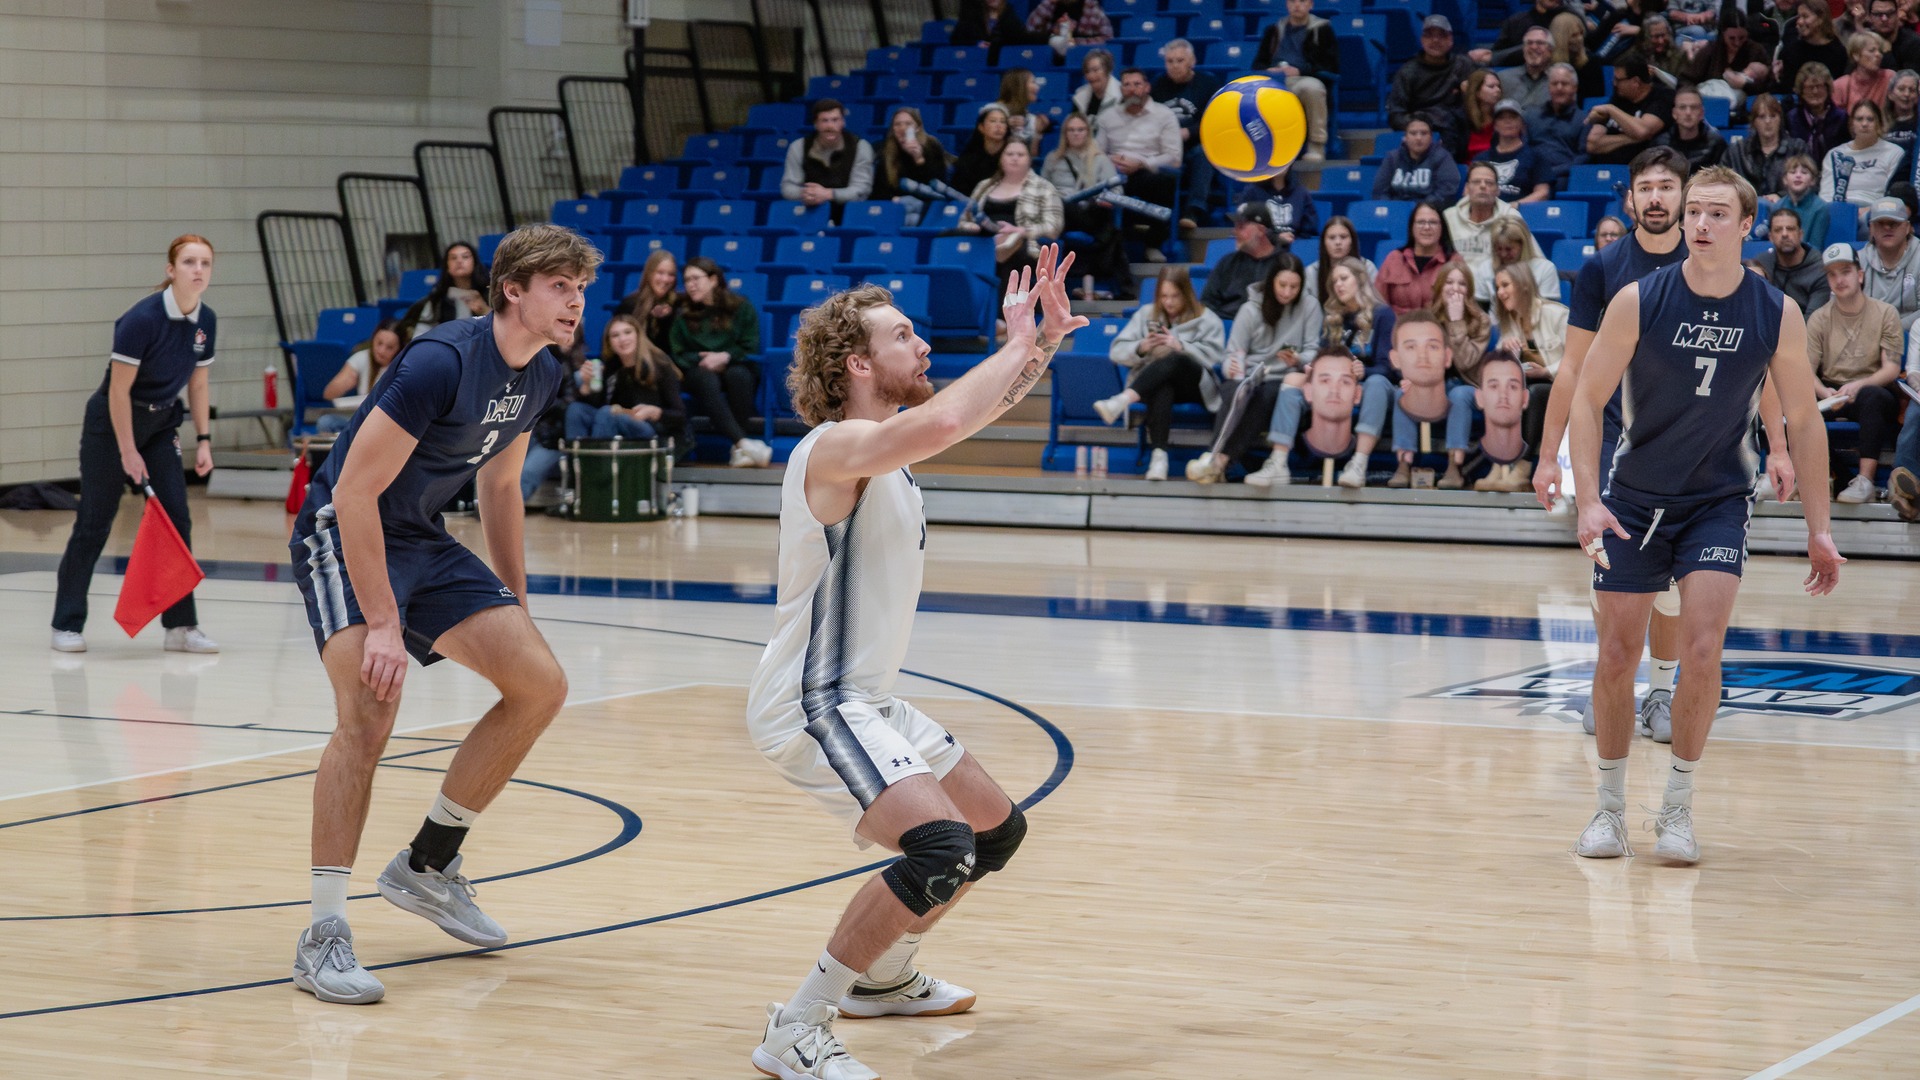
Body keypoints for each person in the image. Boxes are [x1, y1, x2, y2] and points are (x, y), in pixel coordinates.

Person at [742, 220, 1082, 1080]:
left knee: (993, 834)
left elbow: (969, 413)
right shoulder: (835, 449)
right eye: (902, 335)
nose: (922, 341)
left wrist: (1033, 348)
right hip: (814, 700)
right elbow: (951, 418)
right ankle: (798, 1026)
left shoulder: (886, 452)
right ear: (856, 364)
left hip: (868, 696)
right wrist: (1022, 342)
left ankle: (882, 980)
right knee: (938, 849)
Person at [286, 224, 597, 1005]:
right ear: (514, 290)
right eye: (561, 286)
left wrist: (516, 601)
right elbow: (354, 493)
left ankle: (428, 864)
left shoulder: (542, 373)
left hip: (421, 540)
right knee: (369, 710)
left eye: (581, 289)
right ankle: (323, 936)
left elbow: (499, 488)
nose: (576, 302)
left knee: (540, 684)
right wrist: (384, 625)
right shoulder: (440, 360)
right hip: (343, 532)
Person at [1569, 165, 1841, 865]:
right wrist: (1589, 498)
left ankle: (1679, 810)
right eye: (1694, 210)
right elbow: (1584, 395)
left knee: (1701, 649)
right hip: (1632, 500)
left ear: (1747, 226)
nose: (1700, 223)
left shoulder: (1774, 310)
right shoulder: (1637, 299)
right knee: (1617, 654)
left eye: (1718, 213)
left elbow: (1806, 422)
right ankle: (1607, 808)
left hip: (1718, 500)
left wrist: (1819, 530)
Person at [1538, 146, 1694, 741]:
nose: (1655, 198)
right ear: (1630, 197)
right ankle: (1615, 686)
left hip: (1684, 442)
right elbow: (1572, 370)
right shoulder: (1603, 268)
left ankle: (1660, 692)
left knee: (1674, 588)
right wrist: (1549, 454)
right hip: (1611, 441)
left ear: (1683, 195)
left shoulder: (1704, 259)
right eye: (1645, 188)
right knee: (1612, 575)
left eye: (1666, 186)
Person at [51, 234, 221, 655]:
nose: (197, 270)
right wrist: (127, 450)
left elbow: (198, 383)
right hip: (111, 426)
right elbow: (117, 393)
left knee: (177, 520)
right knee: (95, 521)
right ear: (171, 270)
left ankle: (180, 626)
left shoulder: (207, 321)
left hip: (163, 424)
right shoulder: (140, 320)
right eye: (188, 262)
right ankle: (66, 624)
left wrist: (203, 440)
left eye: (205, 263)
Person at [1189, 253, 1322, 483]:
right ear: (1271, 281)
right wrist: (1232, 368)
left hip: (1286, 378)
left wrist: (1298, 358)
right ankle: (1216, 457)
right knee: (1234, 390)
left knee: (1266, 395)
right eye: (1283, 285)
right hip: (1250, 374)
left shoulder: (1309, 305)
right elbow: (1233, 353)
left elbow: (1313, 350)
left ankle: (1218, 460)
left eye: (1294, 286)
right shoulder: (1250, 309)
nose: (1288, 292)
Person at [1094, 266, 1229, 480]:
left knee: (1174, 358)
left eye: (1175, 296)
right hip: (1153, 382)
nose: (1169, 302)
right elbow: (1116, 351)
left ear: (1186, 294)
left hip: (1195, 384)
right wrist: (1141, 347)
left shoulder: (1207, 318)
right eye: (1164, 296)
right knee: (1162, 385)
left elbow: (1216, 357)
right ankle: (1159, 458)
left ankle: (1123, 400)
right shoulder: (1146, 314)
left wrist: (1180, 345)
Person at [1809, 241, 1907, 502]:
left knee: (1872, 397)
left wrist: (1859, 385)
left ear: (1860, 274)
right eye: (1832, 274)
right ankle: (1838, 478)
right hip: (1832, 389)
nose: (1839, 279)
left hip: (1873, 388)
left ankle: (1865, 480)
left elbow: (1891, 368)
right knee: (1797, 406)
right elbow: (1806, 372)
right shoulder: (1819, 318)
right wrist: (1824, 392)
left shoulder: (1886, 313)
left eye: (1845, 271)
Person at [669, 256, 773, 467]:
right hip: (697, 371)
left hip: (733, 366)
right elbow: (677, 353)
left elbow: (749, 345)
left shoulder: (740, 307)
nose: (691, 285)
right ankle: (742, 443)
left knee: (739, 375)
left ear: (714, 279)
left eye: (696, 278)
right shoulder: (682, 314)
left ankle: (739, 449)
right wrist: (701, 358)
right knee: (705, 379)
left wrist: (725, 356)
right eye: (687, 280)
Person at [1320, 257, 1399, 487]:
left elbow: (1390, 369)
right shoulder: (1333, 317)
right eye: (1335, 281)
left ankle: (1359, 462)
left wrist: (1364, 371)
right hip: (1340, 387)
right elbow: (1322, 355)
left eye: (1344, 279)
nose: (1338, 285)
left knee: (1375, 382)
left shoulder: (1383, 314)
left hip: (1375, 387)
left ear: (1361, 281)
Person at [1381, 310, 1477, 488]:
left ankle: (1454, 466)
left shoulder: (1479, 321)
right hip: (1427, 383)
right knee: (1403, 392)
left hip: (1463, 384)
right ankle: (1403, 464)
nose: (1422, 355)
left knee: (1459, 395)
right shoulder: (1432, 316)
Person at [1242, 350, 1363, 488]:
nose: (1333, 391)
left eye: (1343, 382)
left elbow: (1382, 366)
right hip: (1314, 374)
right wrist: (1309, 369)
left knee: (1376, 386)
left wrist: (1362, 370)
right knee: (1291, 380)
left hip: (1362, 381)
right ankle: (1278, 460)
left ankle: (1360, 463)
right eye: (1326, 381)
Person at [1042, 111, 1130, 298]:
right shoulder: (1053, 158)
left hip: (1092, 211)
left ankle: (1091, 278)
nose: (1076, 133)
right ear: (1065, 133)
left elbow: (1117, 192)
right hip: (1062, 212)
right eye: (1071, 130)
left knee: (1100, 213)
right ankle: (1122, 287)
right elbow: (1041, 189)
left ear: (1087, 132)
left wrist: (1104, 200)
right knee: (1110, 231)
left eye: (1080, 129)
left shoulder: (1100, 159)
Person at [566, 313, 686, 444]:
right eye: (615, 335)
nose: (622, 339)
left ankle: (598, 461)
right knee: (576, 410)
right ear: (609, 342)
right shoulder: (612, 365)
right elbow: (600, 406)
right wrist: (586, 388)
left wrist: (655, 412)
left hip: (652, 428)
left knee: (607, 413)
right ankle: (577, 460)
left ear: (638, 335)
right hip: (616, 421)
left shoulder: (659, 365)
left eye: (627, 332)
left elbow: (680, 416)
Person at [1098, 69, 1184, 250]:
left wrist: (1142, 164)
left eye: (1137, 84)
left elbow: (1174, 158)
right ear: (1121, 90)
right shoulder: (1108, 116)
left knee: (1166, 180)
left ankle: (1153, 244)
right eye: (1126, 85)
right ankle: (1112, 245)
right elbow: (1097, 153)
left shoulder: (1164, 115)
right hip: (1114, 172)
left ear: (1147, 87)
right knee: (1096, 182)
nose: (1131, 89)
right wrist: (1111, 160)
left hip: (1147, 172)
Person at [1492, 262, 1571, 448]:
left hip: (1564, 388)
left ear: (1523, 285)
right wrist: (1504, 352)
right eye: (1497, 287)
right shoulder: (1510, 320)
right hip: (1531, 383)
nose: (1500, 293)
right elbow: (1494, 367)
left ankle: (1522, 463)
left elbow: (1578, 361)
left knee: (1533, 394)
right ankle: (1500, 462)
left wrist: (1545, 372)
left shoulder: (1556, 315)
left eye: (1505, 285)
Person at [959, 140, 1065, 278]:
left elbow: (1054, 227)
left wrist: (1021, 231)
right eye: (1009, 154)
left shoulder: (1045, 188)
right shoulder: (983, 186)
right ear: (1001, 158)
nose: (1014, 158)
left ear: (1029, 160)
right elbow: (963, 220)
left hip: (1024, 245)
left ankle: (1004, 299)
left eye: (1020, 155)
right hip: (982, 241)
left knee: (1012, 259)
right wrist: (972, 226)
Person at [1252, 0, 1339, 162]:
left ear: (1311, 5)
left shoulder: (1322, 29)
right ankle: (1267, 149)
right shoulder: (1273, 30)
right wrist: (1269, 70)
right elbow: (1258, 63)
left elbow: (1330, 65)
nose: (1297, 5)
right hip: (1276, 80)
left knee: (1312, 88)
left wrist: (1300, 70)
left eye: (1302, 1)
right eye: (1292, 1)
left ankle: (1316, 146)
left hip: (1304, 78)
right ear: (1286, 4)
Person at [1151, 39, 1224, 229]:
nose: (1174, 66)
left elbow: (1215, 121)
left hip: (1194, 145)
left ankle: (1193, 210)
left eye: (1180, 60)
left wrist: (1188, 132)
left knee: (1204, 152)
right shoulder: (1158, 86)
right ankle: (1150, 220)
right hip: (1164, 147)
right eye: (1170, 61)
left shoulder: (1208, 83)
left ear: (1192, 61)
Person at [1388, 15, 1478, 157]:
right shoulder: (1407, 72)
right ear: (1422, 40)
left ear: (1450, 40)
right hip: (1420, 130)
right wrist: (1423, 125)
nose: (1435, 40)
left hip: (1457, 131)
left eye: (1441, 36)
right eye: (1429, 35)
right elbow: (1396, 115)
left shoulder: (1464, 65)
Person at [1446, 161, 1542, 288]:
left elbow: (1536, 261)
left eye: (1489, 183)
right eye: (1476, 182)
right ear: (1467, 188)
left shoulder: (1511, 217)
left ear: (1497, 190)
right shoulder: (1448, 217)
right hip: (1456, 289)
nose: (1483, 186)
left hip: (1499, 293)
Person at [781, 99, 874, 213]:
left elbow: (861, 191)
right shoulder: (798, 147)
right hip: (809, 212)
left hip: (849, 214)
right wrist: (808, 194)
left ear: (843, 122)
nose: (830, 126)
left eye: (835, 120)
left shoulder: (861, 147)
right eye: (824, 120)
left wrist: (828, 194)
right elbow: (787, 188)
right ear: (816, 124)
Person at [318, 319, 408, 435]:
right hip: (361, 421)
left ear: (399, 349)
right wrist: (343, 384)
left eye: (389, 347)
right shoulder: (362, 357)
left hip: (387, 426)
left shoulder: (403, 367)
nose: (381, 351)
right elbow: (328, 394)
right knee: (326, 422)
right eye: (379, 343)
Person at [1375, 200, 1464, 314]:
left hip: (1439, 328)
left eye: (1433, 222)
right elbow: (1379, 304)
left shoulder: (1454, 261)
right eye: (1421, 222)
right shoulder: (1394, 259)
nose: (1426, 227)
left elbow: (1462, 307)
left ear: (1442, 228)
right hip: (1398, 329)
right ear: (1412, 228)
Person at [1467, 351, 1537, 491]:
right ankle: (1498, 466)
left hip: (1559, 384)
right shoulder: (1509, 329)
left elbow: (1572, 364)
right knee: (1505, 391)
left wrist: (1546, 371)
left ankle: (1523, 469)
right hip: (1527, 382)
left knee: (1534, 394)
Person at [1201, 202, 1284, 319]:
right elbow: (1207, 304)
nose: (1235, 231)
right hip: (1224, 327)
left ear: (1261, 230)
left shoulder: (1283, 264)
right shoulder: (1227, 262)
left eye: (1241, 227)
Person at [870, 106, 953, 224]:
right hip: (897, 208)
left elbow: (938, 186)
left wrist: (919, 160)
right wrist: (895, 199)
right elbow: (878, 191)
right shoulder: (884, 150)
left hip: (927, 207)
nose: (902, 128)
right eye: (897, 124)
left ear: (918, 127)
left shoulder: (931, 147)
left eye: (908, 124)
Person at [1585, 57, 1675, 165]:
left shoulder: (1662, 97)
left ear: (1635, 82)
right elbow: (1592, 144)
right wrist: (1633, 138)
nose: (1614, 83)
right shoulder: (1619, 97)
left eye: (1618, 80)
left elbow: (1642, 131)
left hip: (1643, 169)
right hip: (1606, 169)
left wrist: (1611, 109)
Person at [1823, 100, 1905, 214]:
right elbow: (1825, 195)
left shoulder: (1894, 152)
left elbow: (1892, 194)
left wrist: (1869, 211)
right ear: (1851, 124)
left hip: (1875, 210)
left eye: (1870, 119)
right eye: (1859, 119)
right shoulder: (1835, 154)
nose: (1865, 124)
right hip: (1838, 209)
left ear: (1879, 123)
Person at [1748, 206, 1835, 311]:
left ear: (1800, 234)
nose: (1784, 234)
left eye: (1790, 229)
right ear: (1770, 237)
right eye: (1778, 230)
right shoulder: (1762, 264)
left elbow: (1814, 320)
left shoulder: (1820, 269)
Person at [1724, 94, 1809, 197]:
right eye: (1762, 117)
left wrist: (1782, 197)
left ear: (1780, 119)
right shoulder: (1736, 151)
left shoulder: (1798, 149)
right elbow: (1722, 184)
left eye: (1773, 116)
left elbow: (1811, 184)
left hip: (1789, 208)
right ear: (1754, 122)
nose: (1768, 121)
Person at [1687, 13, 1774, 110]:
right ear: (1723, 34)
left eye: (1741, 38)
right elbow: (1688, 80)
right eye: (1732, 38)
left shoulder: (1756, 51)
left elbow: (1769, 86)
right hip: (1709, 104)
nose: (1737, 43)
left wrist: (1744, 85)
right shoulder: (1710, 51)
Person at [1372, 112, 1463, 203]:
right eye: (1413, 133)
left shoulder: (1443, 158)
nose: (1418, 138)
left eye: (1424, 133)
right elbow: (1379, 192)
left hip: (1429, 212)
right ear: (1405, 137)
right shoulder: (1392, 158)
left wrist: (1420, 209)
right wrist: (1394, 208)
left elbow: (1446, 192)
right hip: (1397, 211)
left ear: (1431, 137)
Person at [402, 242, 490, 336]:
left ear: (475, 263)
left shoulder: (490, 293)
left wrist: (485, 311)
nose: (459, 261)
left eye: (465, 257)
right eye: (453, 258)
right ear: (447, 266)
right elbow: (420, 335)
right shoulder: (437, 300)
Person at [1859, 194, 1920, 326]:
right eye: (1880, 223)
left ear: (1907, 227)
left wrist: (1890, 329)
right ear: (1871, 229)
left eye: (1894, 223)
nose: (1887, 228)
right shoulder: (1858, 261)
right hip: (1867, 336)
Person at [1431, 262, 1494, 387]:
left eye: (1462, 284)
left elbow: (1465, 362)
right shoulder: (1430, 318)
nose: (1455, 288)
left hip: (1468, 385)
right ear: (1440, 286)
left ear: (1469, 291)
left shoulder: (1482, 320)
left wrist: (1456, 322)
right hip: (1434, 382)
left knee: (1458, 394)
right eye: (1449, 282)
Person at [1479, 98, 1554, 202]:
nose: (1507, 121)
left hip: (1519, 214)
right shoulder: (1481, 159)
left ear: (1522, 123)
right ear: (1495, 125)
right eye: (1501, 118)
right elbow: (1468, 191)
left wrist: (1511, 208)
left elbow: (1542, 193)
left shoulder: (1537, 157)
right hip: (1485, 212)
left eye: (1513, 117)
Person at [612, 249, 683, 356]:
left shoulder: (679, 304)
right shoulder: (630, 304)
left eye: (671, 274)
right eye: (660, 272)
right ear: (649, 273)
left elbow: (675, 349)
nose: (665, 279)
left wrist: (665, 320)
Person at [1528, 63, 1589, 180]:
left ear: (1575, 88)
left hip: (1563, 177)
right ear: (1548, 87)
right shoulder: (1531, 116)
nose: (1559, 88)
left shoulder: (1585, 119)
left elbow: (1583, 157)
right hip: (1531, 176)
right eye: (1554, 83)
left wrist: (1551, 172)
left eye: (1564, 84)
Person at [1235, 164, 1319, 247]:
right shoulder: (1252, 192)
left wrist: (1294, 240)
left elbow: (1309, 228)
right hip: (1260, 248)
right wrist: (1275, 238)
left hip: (1294, 248)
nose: (1279, 165)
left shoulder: (1301, 192)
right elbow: (1245, 224)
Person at [1486, 218, 1563, 305]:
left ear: (1523, 245)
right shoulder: (1486, 268)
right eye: (1499, 249)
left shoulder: (1545, 269)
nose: (1503, 254)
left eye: (1509, 249)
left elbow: (1549, 310)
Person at [1304, 216, 1379, 302]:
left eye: (1343, 237)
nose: (1338, 242)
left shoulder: (1367, 267)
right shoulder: (1311, 272)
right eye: (1332, 238)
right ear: (1324, 243)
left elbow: (1377, 305)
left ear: (1352, 241)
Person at [1655, 85, 1729, 170]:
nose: (1688, 112)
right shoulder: (1661, 143)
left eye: (1694, 107)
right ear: (1674, 113)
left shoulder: (1716, 142)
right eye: (1682, 107)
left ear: (1701, 113)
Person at [1766, 154, 1833, 248]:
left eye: (1804, 173)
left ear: (1813, 180)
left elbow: (1816, 246)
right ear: (1785, 179)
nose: (1798, 176)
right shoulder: (1778, 206)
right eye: (1793, 172)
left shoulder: (1820, 208)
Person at [1788, 63, 1851, 164]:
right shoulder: (1792, 118)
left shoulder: (1841, 118)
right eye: (1810, 87)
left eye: (1820, 86)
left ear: (1828, 88)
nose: (1815, 91)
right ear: (1801, 91)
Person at [952, 104, 1012, 196]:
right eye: (993, 121)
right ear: (981, 127)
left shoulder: (1013, 155)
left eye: (1003, 122)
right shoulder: (968, 158)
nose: (998, 125)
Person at [951, 0, 1037, 60]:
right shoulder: (973, 15)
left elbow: (1021, 37)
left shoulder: (1008, 13)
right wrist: (977, 43)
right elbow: (955, 39)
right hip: (976, 59)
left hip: (1000, 61)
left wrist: (1048, 38)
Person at [1024, 0, 1113, 56]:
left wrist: (1075, 42)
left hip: (1081, 58)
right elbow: (1028, 33)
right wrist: (1053, 34)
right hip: (1049, 58)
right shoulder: (1049, 5)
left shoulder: (1091, 8)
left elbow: (1108, 40)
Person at [1500, 27, 1558, 113]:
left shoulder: (1560, 80)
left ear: (1551, 50)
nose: (1534, 47)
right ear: (1523, 49)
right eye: (1529, 43)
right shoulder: (1503, 78)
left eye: (1540, 43)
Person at [1835, 31, 1897, 109]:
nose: (1878, 55)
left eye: (1880, 51)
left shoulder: (1890, 78)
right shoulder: (1841, 85)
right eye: (1872, 50)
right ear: (1856, 55)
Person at [993, 67, 1051, 147]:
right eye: (1033, 82)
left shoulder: (1030, 119)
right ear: (1020, 86)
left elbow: (1032, 155)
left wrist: (1037, 132)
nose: (1037, 87)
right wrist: (1004, 125)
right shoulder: (993, 110)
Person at [1072, 49, 1122, 134]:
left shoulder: (1122, 94)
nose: (1090, 76)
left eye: (1095, 70)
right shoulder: (1080, 95)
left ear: (1108, 70)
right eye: (1087, 71)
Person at [1463, 68, 1505, 160]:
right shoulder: (1460, 119)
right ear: (1476, 92)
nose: (1497, 90)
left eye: (1498, 86)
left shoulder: (1504, 117)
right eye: (1491, 86)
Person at [1869, 0, 1920, 72]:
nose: (1884, 19)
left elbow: (1911, 79)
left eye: (1889, 13)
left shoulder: (1913, 43)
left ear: (1897, 14)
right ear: (1870, 17)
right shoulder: (1865, 42)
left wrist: (1887, 53)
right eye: (1878, 14)